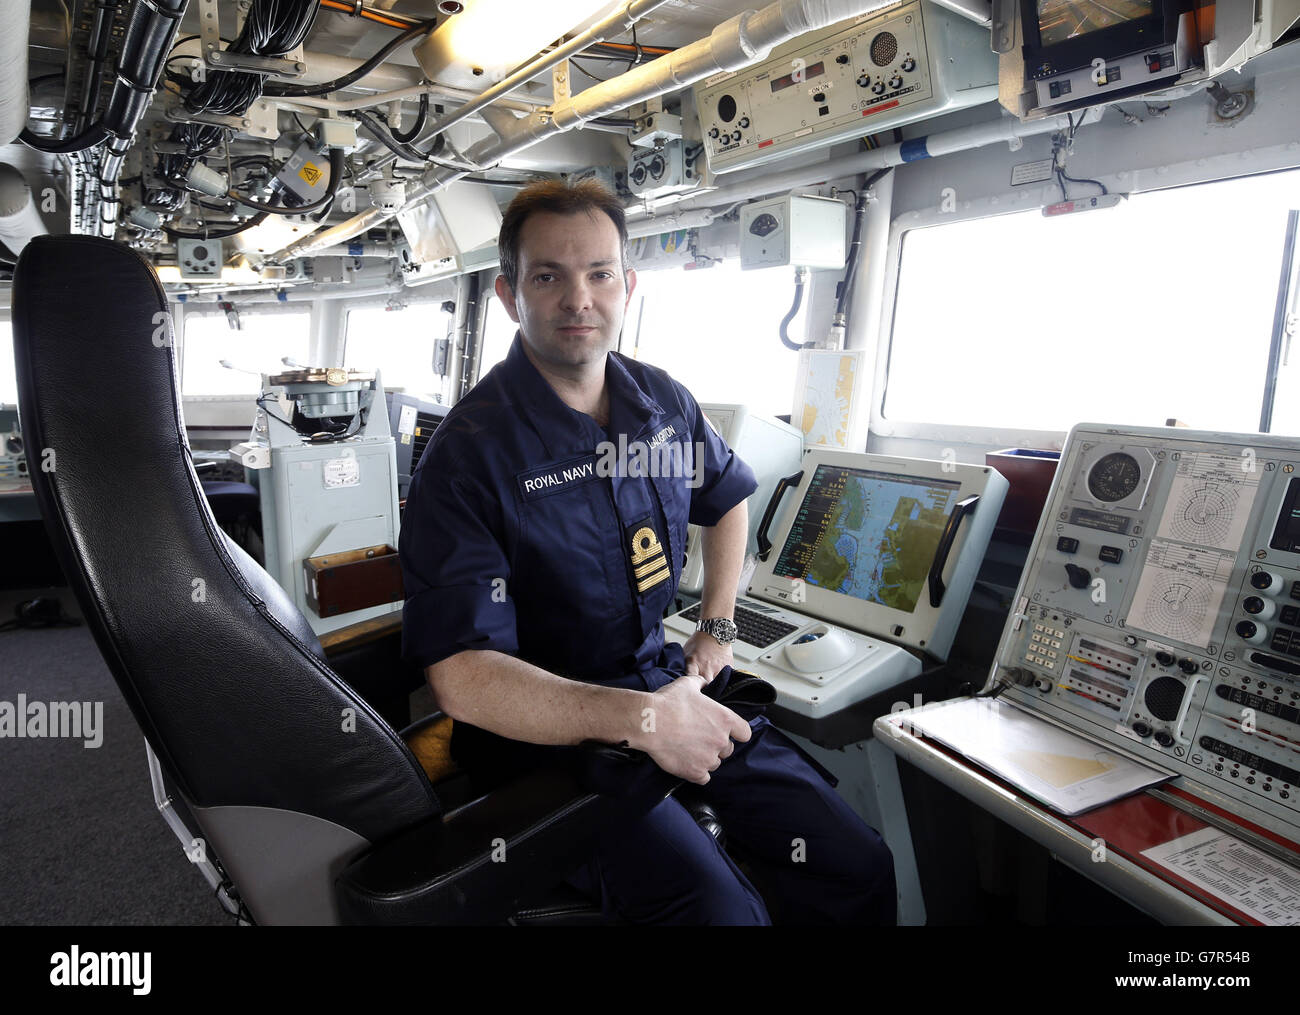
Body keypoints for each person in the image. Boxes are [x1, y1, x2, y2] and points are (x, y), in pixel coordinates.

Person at [399, 178, 895, 925]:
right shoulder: (469, 455)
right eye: (549, 276)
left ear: (627, 285)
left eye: (599, 273)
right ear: (508, 295)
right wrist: (643, 721)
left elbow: (727, 499)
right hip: (545, 740)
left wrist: (718, 627)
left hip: (670, 684)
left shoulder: (661, 404)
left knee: (854, 860)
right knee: (723, 916)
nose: (579, 299)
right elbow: (465, 681)